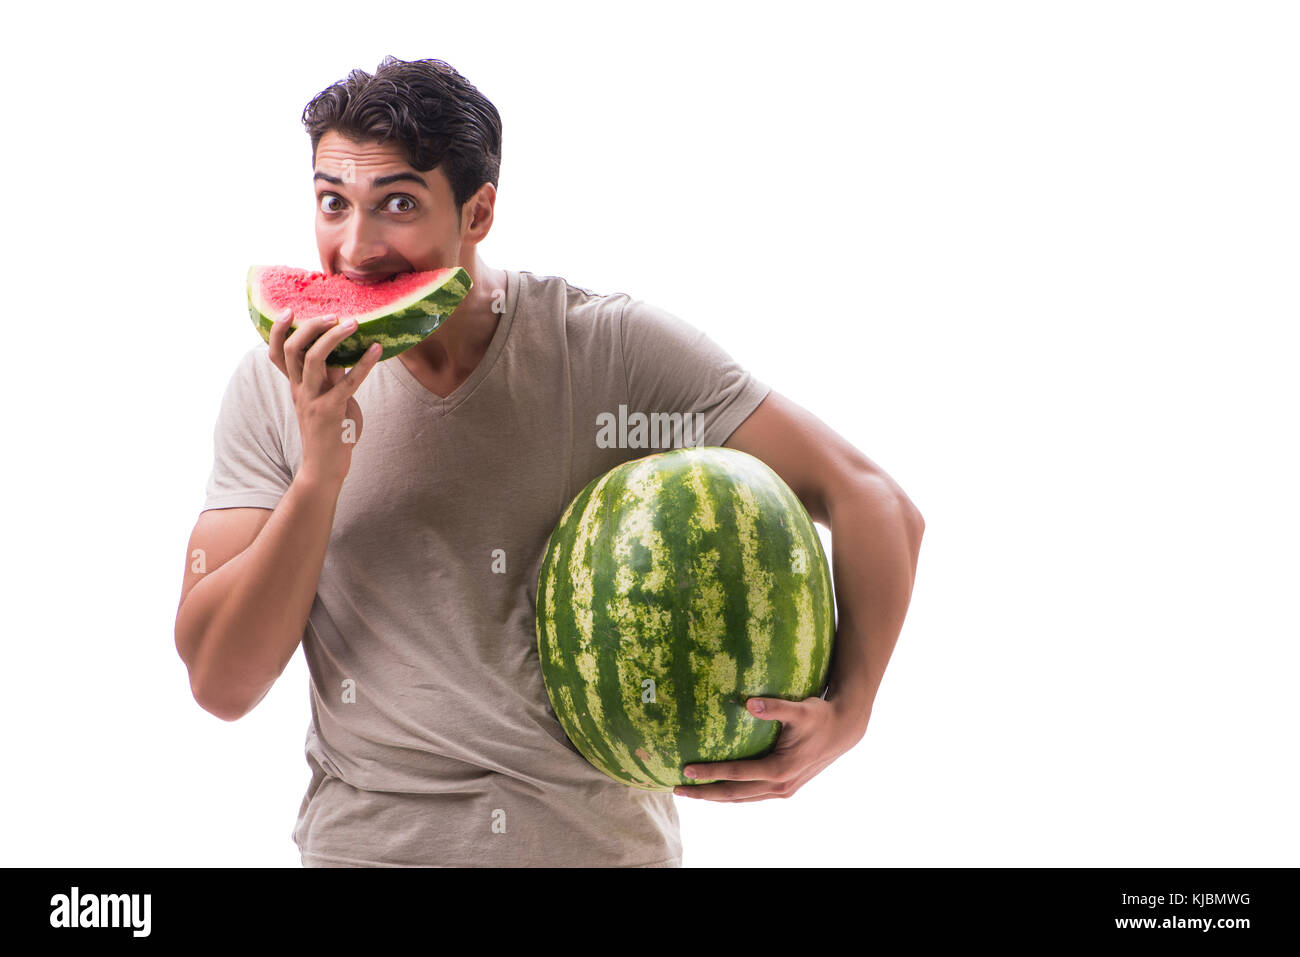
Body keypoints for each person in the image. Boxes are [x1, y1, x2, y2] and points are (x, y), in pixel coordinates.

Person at [174, 56, 924, 867]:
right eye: (332, 203)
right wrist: (320, 474)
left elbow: (872, 500)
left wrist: (850, 711)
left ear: (479, 211)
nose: (355, 248)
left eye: (397, 204)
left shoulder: (609, 352)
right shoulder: (273, 386)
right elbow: (222, 683)